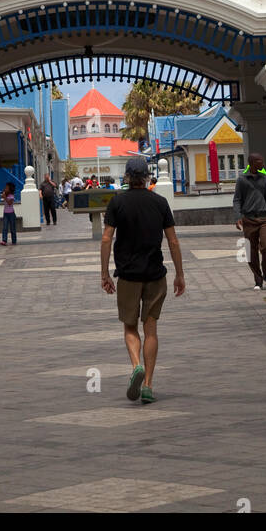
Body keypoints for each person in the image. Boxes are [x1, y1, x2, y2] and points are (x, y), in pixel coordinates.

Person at [100, 154, 185, 404]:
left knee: (129, 326)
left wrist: (105, 272)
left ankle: (136, 365)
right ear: (147, 177)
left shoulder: (118, 203)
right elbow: (173, 240)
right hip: (155, 274)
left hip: (128, 275)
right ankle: (148, 384)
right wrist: (179, 274)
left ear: (127, 176)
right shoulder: (159, 202)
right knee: (151, 329)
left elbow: (106, 239)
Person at [233, 153, 266, 290]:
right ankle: (258, 280)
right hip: (249, 219)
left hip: (264, 218)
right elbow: (237, 199)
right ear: (252, 163)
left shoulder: (264, 178)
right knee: (251, 251)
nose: (262, 163)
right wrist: (238, 217)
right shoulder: (242, 180)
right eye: (259, 161)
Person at [0, 181, 17, 246]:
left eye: (7, 188)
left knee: (12, 228)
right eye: (5, 187)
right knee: (5, 227)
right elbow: (2, 196)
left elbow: (9, 203)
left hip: (11, 214)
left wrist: (5, 197)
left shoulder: (11, 196)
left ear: (10, 189)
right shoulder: (5, 194)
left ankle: (14, 240)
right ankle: (4, 240)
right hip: (5, 213)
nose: (5, 188)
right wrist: (4, 195)